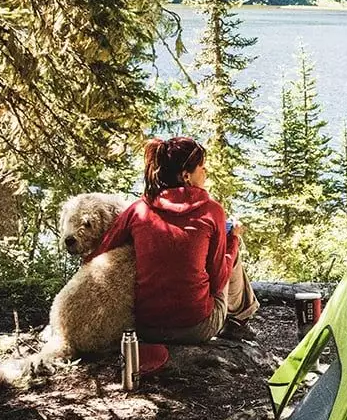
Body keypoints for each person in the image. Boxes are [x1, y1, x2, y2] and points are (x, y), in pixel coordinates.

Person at [90, 136, 259, 344]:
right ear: (186, 176)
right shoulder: (212, 210)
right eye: (202, 167)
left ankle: (241, 316)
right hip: (197, 328)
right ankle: (240, 320)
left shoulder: (139, 209)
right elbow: (217, 283)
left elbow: (101, 251)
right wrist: (233, 240)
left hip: (146, 328)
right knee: (231, 244)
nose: (205, 172)